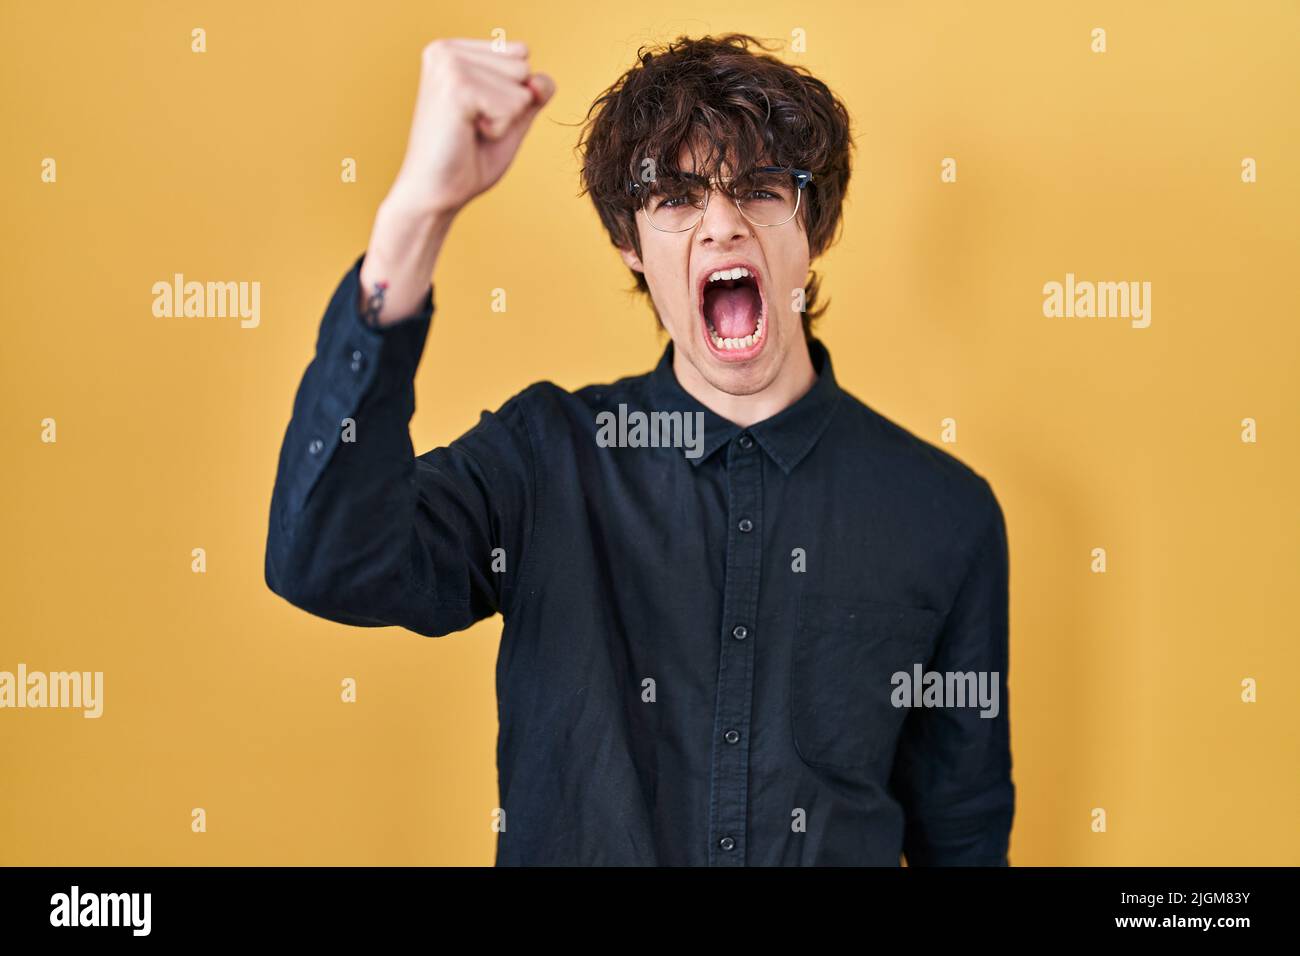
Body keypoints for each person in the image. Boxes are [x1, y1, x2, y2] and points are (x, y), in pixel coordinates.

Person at [264, 33, 1015, 865]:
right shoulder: (542, 460)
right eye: (676, 199)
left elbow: (964, 835)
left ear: (815, 228)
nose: (723, 226)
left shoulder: (946, 512)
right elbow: (324, 560)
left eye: (762, 190)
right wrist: (417, 212)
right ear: (631, 243)